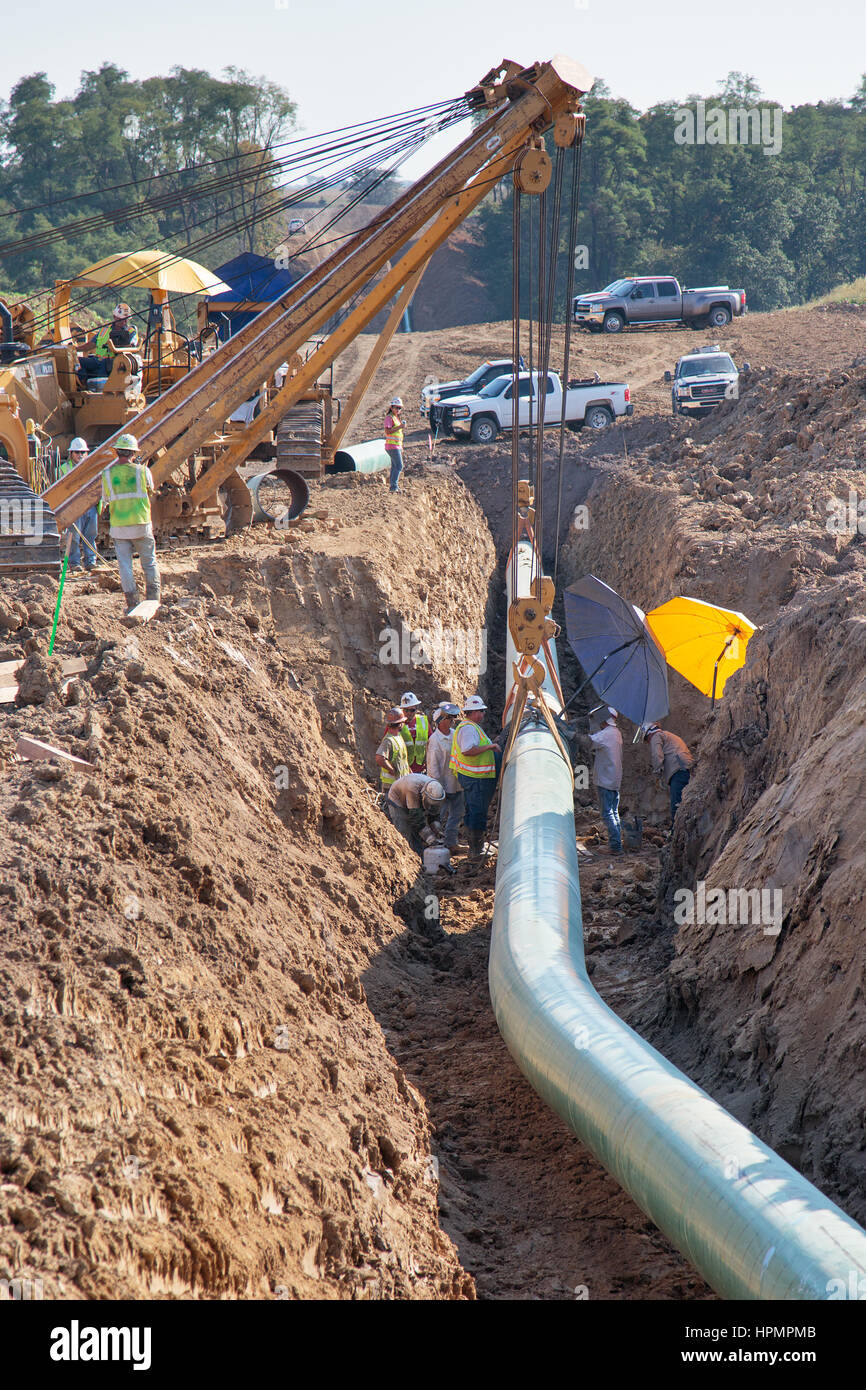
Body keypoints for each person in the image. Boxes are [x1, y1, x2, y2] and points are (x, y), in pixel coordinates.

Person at [100, 434, 161, 614]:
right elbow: (151, 490)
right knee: (149, 562)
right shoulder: (142, 471)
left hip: (119, 526)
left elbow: (106, 498)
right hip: (141, 523)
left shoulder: (107, 474)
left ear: (117, 452)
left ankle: (132, 602)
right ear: (133, 453)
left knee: (125, 566)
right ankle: (153, 599)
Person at [449, 695, 497, 857]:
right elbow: (467, 750)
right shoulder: (469, 728)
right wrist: (490, 747)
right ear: (471, 712)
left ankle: (474, 848)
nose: (482, 714)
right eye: (480, 711)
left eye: (483, 711)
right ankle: (477, 851)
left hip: (473, 777)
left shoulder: (471, 726)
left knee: (472, 810)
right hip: (475, 778)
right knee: (477, 812)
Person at [426, 702, 464, 851]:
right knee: (438, 817)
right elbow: (433, 766)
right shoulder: (435, 741)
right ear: (441, 721)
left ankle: (451, 842)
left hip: (456, 782)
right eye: (449, 718)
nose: (452, 721)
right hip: (441, 785)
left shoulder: (455, 734)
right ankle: (435, 843)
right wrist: (435, 786)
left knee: (457, 814)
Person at [59, 438, 99, 573]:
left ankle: (90, 561)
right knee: (74, 537)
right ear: (71, 454)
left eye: (83, 452)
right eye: (77, 452)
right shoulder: (63, 469)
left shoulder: (91, 469)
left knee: (91, 535)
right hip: (73, 508)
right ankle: (75, 562)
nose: (80, 455)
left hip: (90, 506)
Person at [641, 722, 694, 822]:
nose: (648, 742)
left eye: (646, 739)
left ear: (649, 733)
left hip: (678, 770)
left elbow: (657, 755)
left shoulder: (656, 736)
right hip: (685, 767)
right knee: (684, 802)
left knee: (677, 804)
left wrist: (657, 773)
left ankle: (676, 832)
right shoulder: (668, 735)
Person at [77, 303, 140, 386]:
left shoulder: (131, 332)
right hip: (97, 360)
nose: (124, 322)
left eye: (126, 320)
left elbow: (132, 346)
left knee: (104, 370)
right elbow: (91, 344)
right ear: (114, 317)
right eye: (121, 319)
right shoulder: (105, 330)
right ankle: (83, 385)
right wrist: (75, 349)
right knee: (78, 361)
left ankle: (101, 391)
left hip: (114, 363)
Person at [589, 707, 623, 855]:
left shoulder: (606, 734)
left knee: (607, 814)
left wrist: (570, 733)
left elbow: (588, 741)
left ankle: (615, 847)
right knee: (614, 813)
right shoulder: (616, 733)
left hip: (605, 780)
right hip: (614, 780)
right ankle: (617, 844)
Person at [386, 773, 446, 855]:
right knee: (404, 833)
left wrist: (437, 829)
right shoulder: (413, 790)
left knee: (417, 834)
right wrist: (430, 837)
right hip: (397, 799)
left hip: (412, 794)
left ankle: (418, 852)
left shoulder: (435, 787)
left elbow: (433, 813)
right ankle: (406, 855)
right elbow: (416, 818)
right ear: (424, 795)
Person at [375, 707, 411, 793]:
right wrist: (391, 769)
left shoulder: (398, 737)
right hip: (391, 786)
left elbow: (401, 758)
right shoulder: (388, 740)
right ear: (400, 724)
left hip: (400, 782)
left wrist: (408, 770)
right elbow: (379, 758)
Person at [399, 691, 429, 772]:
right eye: (406, 710)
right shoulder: (396, 723)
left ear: (416, 709)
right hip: (402, 769)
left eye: (412, 710)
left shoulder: (423, 721)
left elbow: (431, 743)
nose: (409, 713)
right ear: (402, 709)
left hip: (420, 768)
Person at [384, 396, 405, 493]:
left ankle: (393, 485)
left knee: (395, 466)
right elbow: (388, 431)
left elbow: (398, 435)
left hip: (396, 446)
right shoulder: (389, 418)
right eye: (396, 407)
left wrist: (401, 447)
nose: (398, 410)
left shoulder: (396, 418)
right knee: (399, 466)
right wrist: (400, 426)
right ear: (391, 407)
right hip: (392, 446)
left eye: (399, 408)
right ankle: (393, 486)